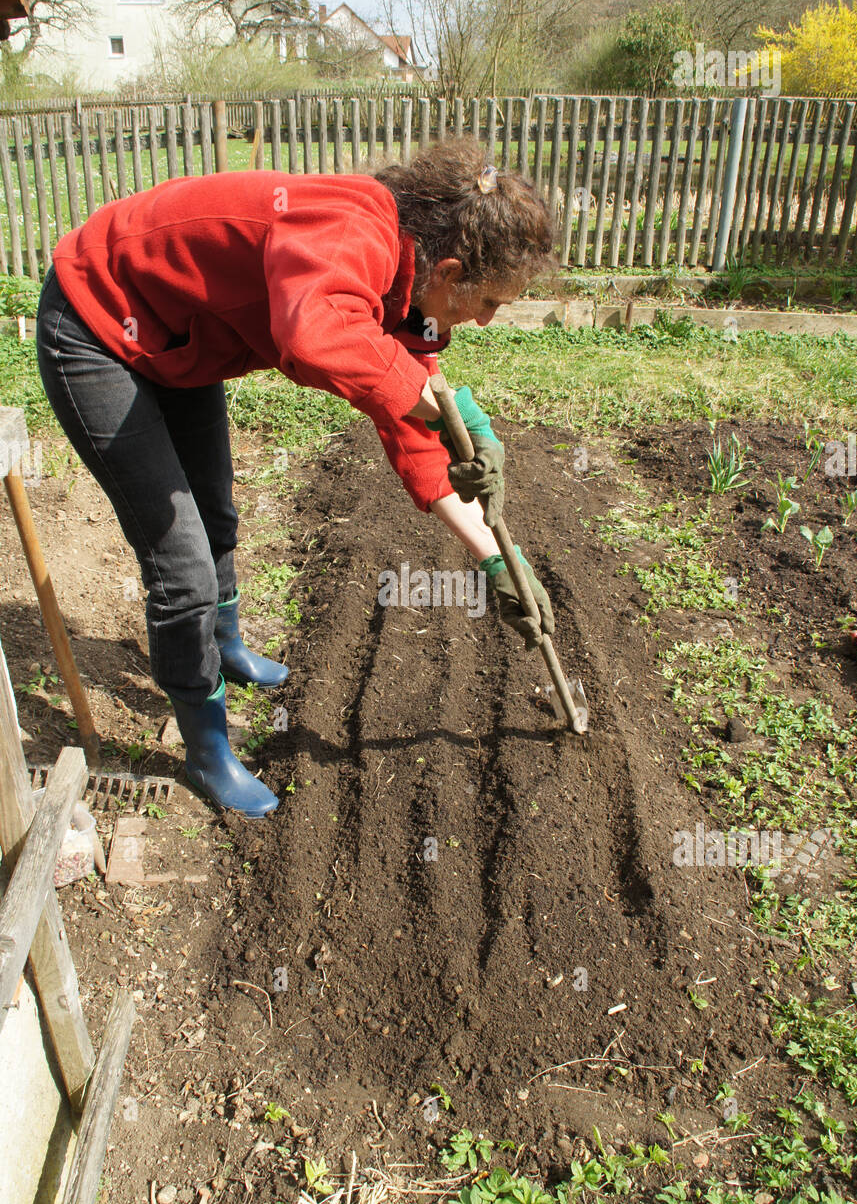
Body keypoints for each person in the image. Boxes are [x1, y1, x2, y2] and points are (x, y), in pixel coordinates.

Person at [35, 137, 556, 818]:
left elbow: (405, 412)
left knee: (216, 513)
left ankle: (225, 647)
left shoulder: (409, 287)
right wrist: (437, 402)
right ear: (449, 269)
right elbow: (315, 334)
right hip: (99, 320)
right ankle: (206, 747)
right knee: (181, 566)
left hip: (182, 336)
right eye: (488, 301)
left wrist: (496, 559)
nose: (484, 319)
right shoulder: (351, 230)